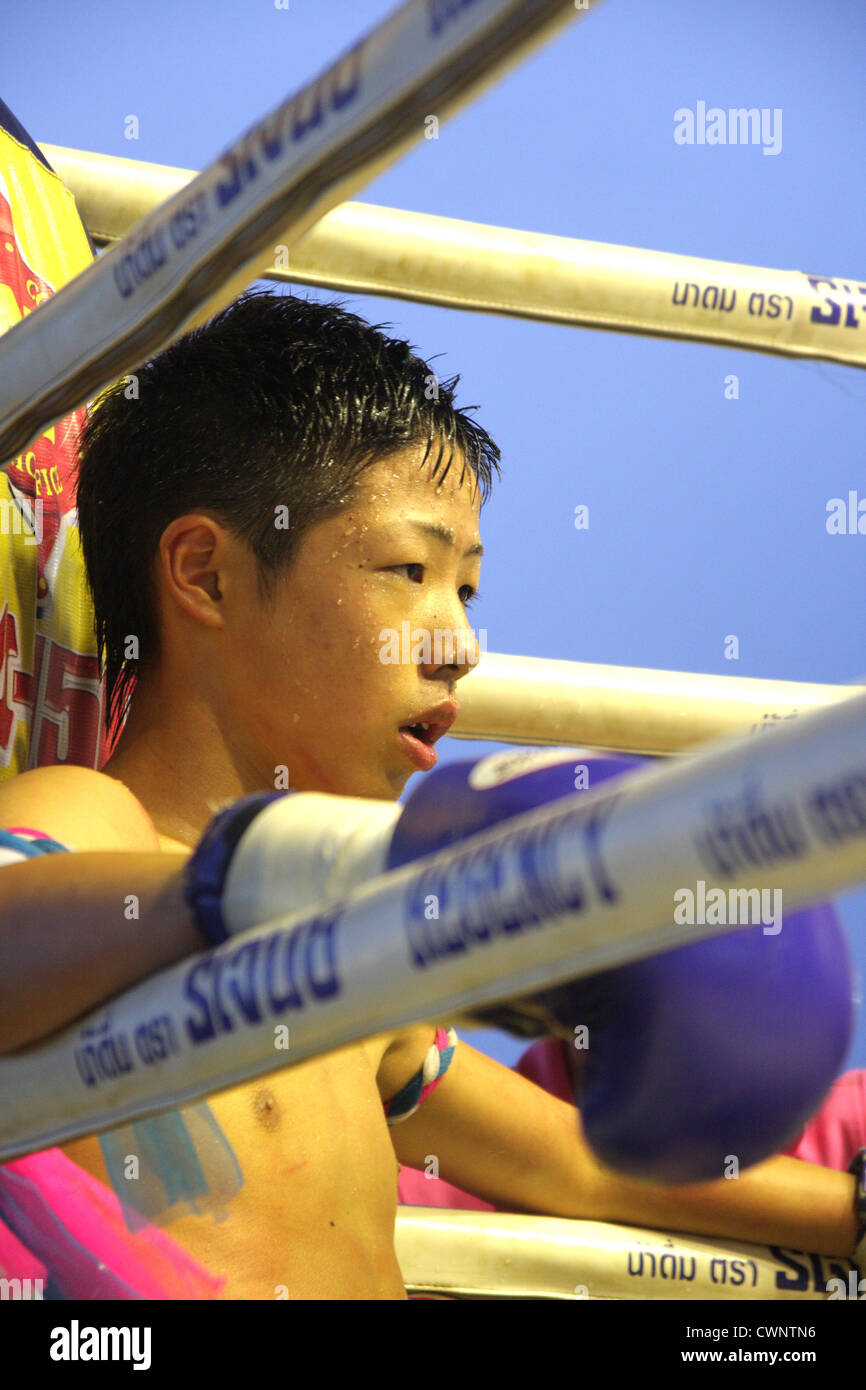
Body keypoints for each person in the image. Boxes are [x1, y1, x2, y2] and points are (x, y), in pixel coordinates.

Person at [1, 289, 862, 1299]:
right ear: (208, 576)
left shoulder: (362, 976)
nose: (458, 645)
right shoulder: (98, 828)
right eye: (408, 569)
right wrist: (286, 876)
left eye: (466, 590)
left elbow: (572, 1163)